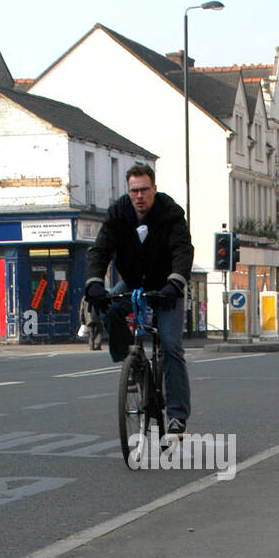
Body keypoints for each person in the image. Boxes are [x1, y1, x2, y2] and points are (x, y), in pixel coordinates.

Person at [84, 163, 193, 439]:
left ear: (154, 189)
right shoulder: (118, 213)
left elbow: (182, 248)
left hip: (167, 286)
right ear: (128, 191)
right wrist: (94, 282)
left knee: (170, 345)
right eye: (134, 191)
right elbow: (101, 249)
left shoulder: (170, 213)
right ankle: (130, 365)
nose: (139, 196)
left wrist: (176, 281)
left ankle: (177, 417)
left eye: (145, 189)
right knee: (110, 308)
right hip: (133, 283)